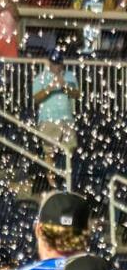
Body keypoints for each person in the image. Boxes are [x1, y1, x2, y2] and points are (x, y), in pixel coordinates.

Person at [33, 48, 80, 178]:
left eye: (58, 63)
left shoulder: (69, 76)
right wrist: (50, 88)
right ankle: (51, 181)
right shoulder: (41, 78)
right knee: (49, 151)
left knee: (70, 149)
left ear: (62, 63)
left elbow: (77, 94)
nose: (56, 66)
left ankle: (68, 179)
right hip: (48, 119)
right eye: (53, 63)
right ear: (49, 63)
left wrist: (65, 86)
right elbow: (36, 98)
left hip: (67, 119)